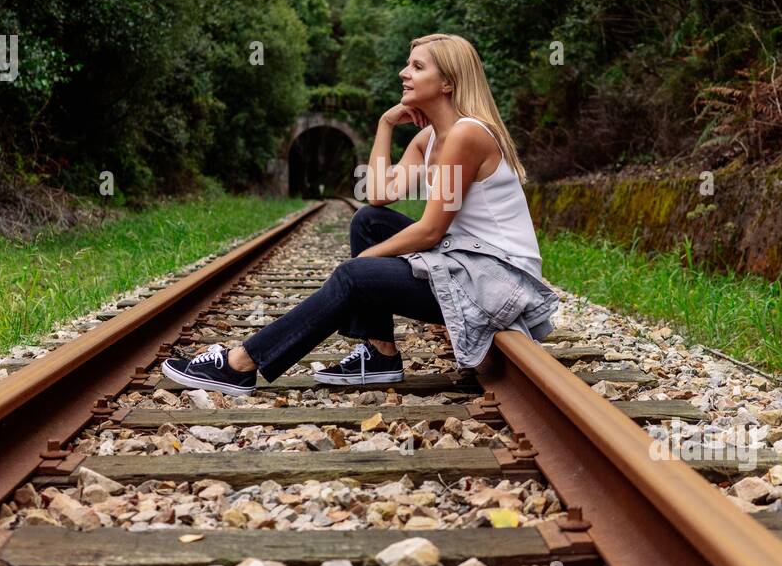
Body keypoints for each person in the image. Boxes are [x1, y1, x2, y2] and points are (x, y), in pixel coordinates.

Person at [162, 33, 559, 394]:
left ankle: (240, 363)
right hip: (467, 265)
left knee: (355, 275)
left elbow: (430, 232)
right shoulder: (431, 138)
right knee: (368, 221)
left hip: (498, 284)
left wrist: (363, 266)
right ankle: (381, 354)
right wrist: (385, 124)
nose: (404, 72)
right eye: (408, 64)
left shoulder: (466, 135)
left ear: (448, 83)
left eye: (418, 67)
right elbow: (376, 195)